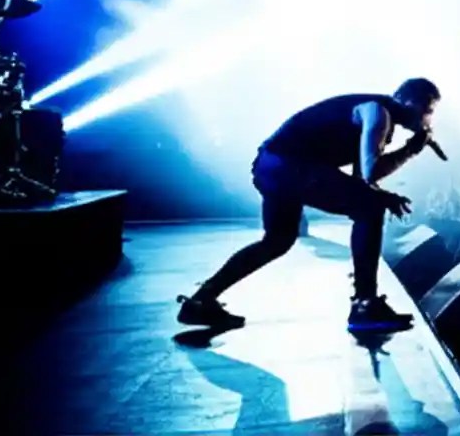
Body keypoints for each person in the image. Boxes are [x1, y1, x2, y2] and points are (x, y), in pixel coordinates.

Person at [177, 78, 441, 333]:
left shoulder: (377, 115)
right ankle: (365, 305)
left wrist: (389, 182)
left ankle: (201, 301)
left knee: (277, 240)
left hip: (272, 165)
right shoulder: (378, 113)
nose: (428, 120)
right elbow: (371, 174)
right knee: (369, 209)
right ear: (407, 101)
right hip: (289, 165)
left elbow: (363, 180)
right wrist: (409, 152)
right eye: (427, 110)